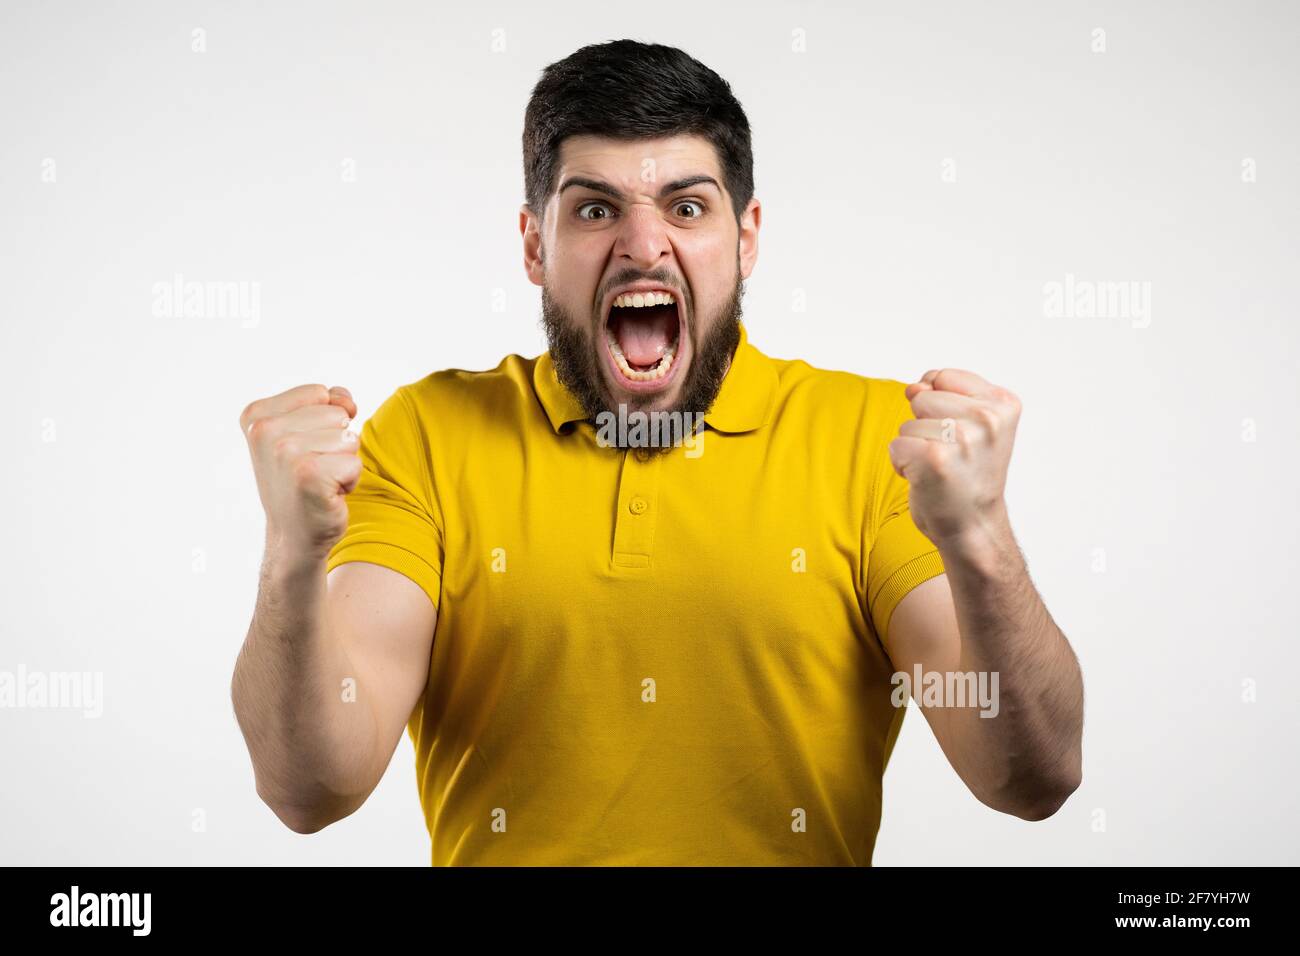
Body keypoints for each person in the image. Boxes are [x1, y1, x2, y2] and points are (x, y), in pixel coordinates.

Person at [231, 39, 1083, 866]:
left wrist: (979, 537)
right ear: (535, 245)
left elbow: (1029, 777)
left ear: (746, 237)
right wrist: (291, 558)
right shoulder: (428, 435)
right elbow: (311, 789)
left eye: (686, 206)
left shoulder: (873, 442)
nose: (643, 246)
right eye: (595, 209)